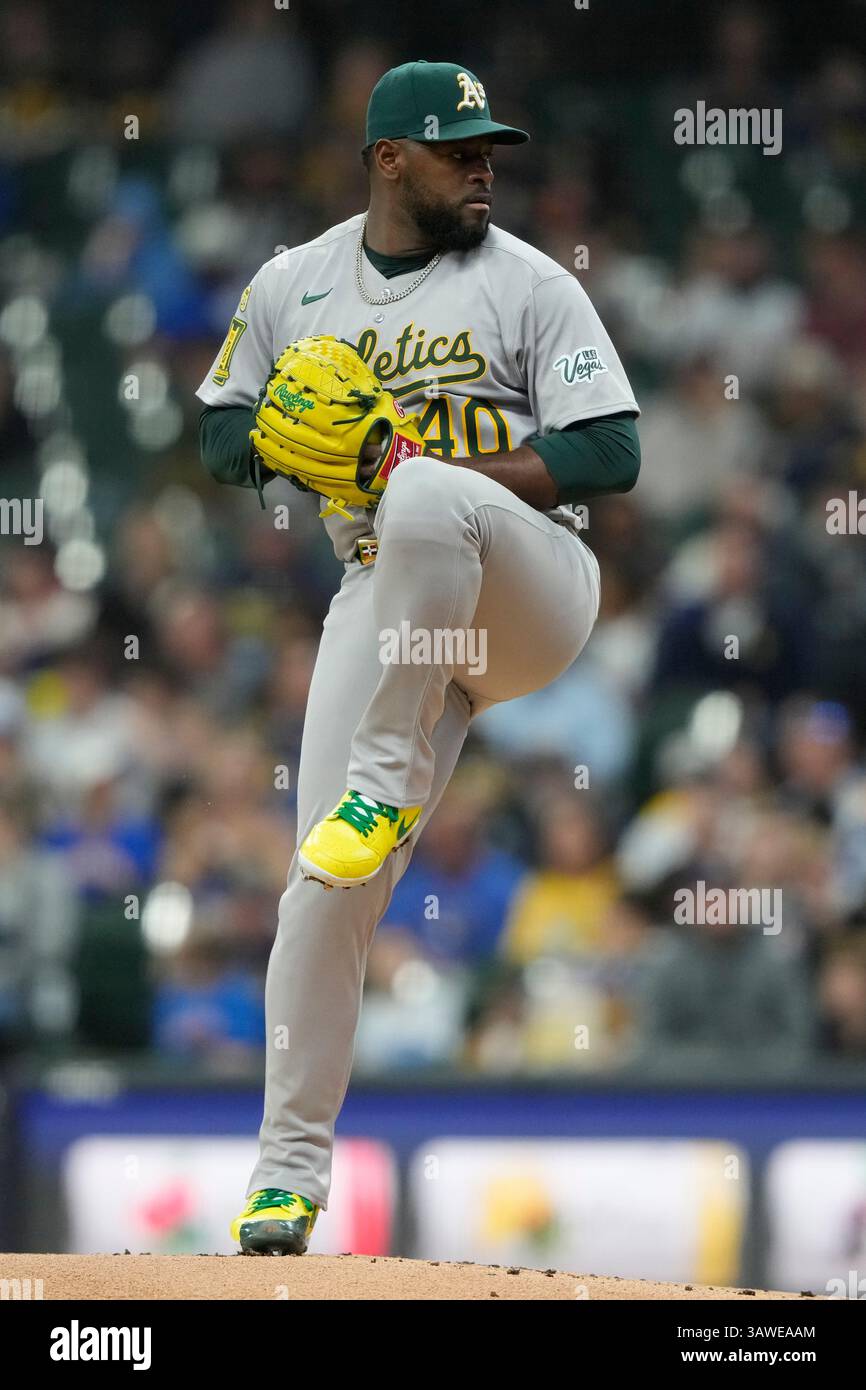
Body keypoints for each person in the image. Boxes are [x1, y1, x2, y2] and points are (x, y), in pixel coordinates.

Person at [196, 60, 640, 1254]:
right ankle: (285, 1180)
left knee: (429, 492)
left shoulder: (525, 282)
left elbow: (608, 452)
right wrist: (297, 457)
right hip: (386, 597)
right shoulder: (296, 283)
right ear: (390, 158)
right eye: (459, 149)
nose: (484, 165)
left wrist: (405, 472)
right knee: (319, 893)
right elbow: (220, 427)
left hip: (525, 587)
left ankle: (381, 786)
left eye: (490, 147)